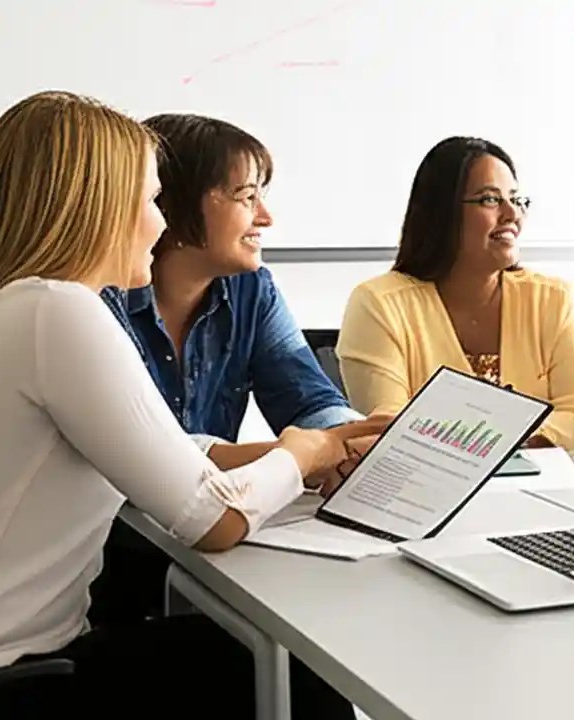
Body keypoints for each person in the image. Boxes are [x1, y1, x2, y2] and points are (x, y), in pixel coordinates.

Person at [0, 91, 374, 717]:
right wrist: (300, 455)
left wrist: (315, 445)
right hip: (13, 679)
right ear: (99, 204)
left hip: (22, 660)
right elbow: (212, 522)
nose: (159, 223)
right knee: (301, 677)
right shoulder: (60, 312)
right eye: (149, 200)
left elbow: (157, 444)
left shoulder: (18, 308)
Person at [92, 113, 370, 628]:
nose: (265, 217)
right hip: (108, 567)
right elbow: (151, 465)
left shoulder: (251, 290)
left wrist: (350, 440)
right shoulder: (93, 303)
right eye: (246, 197)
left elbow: (308, 398)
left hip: (218, 542)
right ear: (171, 204)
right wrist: (305, 455)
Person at [338, 136, 574, 451]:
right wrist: (512, 438)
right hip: (426, 495)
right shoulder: (378, 304)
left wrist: (481, 444)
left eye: (516, 200)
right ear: (441, 212)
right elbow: (393, 432)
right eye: (490, 200)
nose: (512, 214)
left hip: (540, 492)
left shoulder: (554, 299)